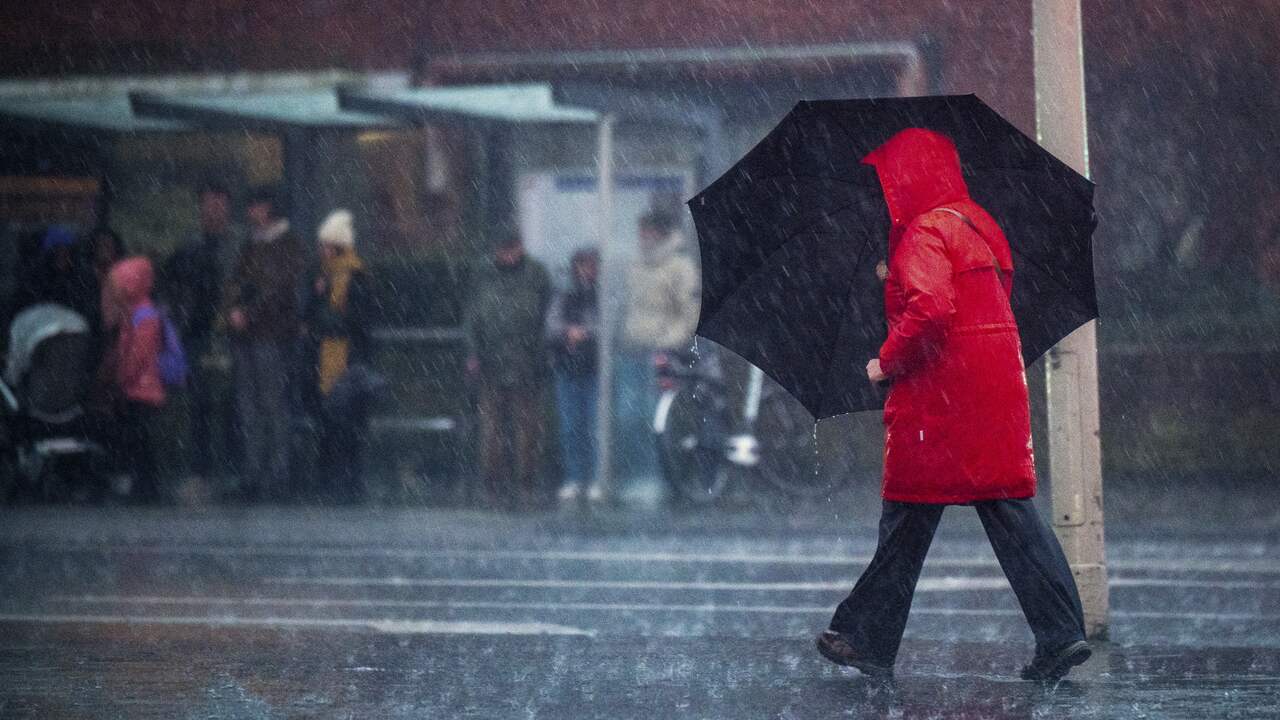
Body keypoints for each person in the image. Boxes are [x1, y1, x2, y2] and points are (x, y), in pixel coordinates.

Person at [815, 128, 1090, 682]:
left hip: (940, 396)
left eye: (890, 184)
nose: (887, 195)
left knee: (908, 512)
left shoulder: (923, 232)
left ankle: (866, 637)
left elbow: (933, 311)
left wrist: (884, 360)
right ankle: (1061, 634)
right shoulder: (977, 223)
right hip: (992, 385)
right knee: (1006, 507)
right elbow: (981, 298)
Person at [223, 186, 303, 502]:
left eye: (255, 206)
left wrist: (247, 313)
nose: (250, 212)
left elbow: (280, 289)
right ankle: (255, 473)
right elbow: (237, 283)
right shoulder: (252, 245)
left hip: (270, 335)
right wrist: (233, 310)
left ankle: (276, 473)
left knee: (270, 405)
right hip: (250, 335)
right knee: (250, 406)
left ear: (267, 209)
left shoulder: (287, 245)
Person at [463, 231, 552, 511]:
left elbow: (545, 317)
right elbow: (473, 317)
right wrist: (474, 353)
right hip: (493, 361)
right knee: (492, 429)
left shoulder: (536, 275)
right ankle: (493, 482)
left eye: (511, 249)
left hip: (527, 362)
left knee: (528, 428)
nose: (507, 255)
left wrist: (540, 353)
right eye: (503, 250)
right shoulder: (484, 274)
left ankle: (526, 481)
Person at [617, 209, 700, 499]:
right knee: (628, 416)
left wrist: (667, 342)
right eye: (641, 232)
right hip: (632, 351)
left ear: (661, 233)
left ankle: (654, 479)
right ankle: (633, 476)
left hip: (660, 353)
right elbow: (626, 305)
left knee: (653, 417)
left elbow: (689, 314)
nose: (642, 237)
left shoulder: (680, 266)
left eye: (647, 231)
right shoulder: (634, 265)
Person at [163, 181, 240, 484]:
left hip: (229, 332)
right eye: (209, 203)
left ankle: (231, 466)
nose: (214, 209)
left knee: (233, 402)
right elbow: (171, 279)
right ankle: (202, 466)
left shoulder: (238, 243)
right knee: (199, 402)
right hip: (195, 331)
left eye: (219, 203)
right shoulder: (189, 243)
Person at [302, 209, 376, 503]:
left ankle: (345, 481)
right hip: (328, 360)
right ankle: (334, 479)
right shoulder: (323, 277)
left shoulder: (355, 277)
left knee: (346, 424)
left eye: (325, 245)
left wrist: (322, 317)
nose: (321, 251)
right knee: (330, 422)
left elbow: (354, 321)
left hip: (347, 360)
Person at [99, 257, 165, 504]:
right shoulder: (136, 311)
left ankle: (147, 486)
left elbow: (138, 354)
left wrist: (122, 376)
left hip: (142, 388)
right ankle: (144, 485)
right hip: (138, 386)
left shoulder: (143, 314)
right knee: (138, 439)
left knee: (139, 439)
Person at [545, 248, 600, 504]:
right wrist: (569, 333)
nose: (587, 269)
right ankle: (575, 477)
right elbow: (551, 326)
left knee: (593, 426)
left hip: (594, 368)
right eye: (583, 264)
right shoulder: (564, 293)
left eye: (591, 264)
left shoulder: (601, 293)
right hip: (568, 368)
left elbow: (609, 324)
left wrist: (586, 333)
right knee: (571, 427)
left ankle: (597, 478)